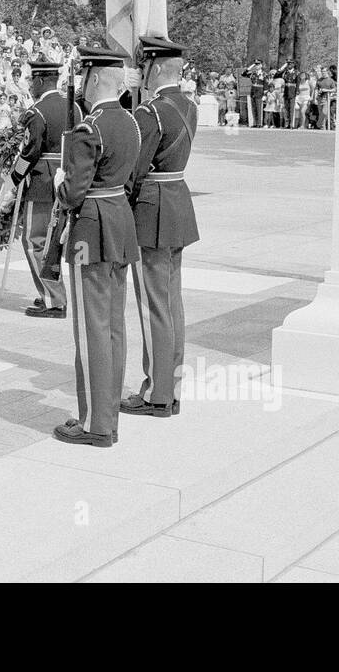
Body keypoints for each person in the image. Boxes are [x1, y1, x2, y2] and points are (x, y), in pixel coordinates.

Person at [51, 46, 140, 449]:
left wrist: (58, 183)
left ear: (96, 78)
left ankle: (95, 423)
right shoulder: (133, 123)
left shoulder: (92, 128)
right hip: (121, 222)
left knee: (91, 329)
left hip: (91, 229)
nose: (81, 85)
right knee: (114, 326)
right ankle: (109, 416)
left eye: (85, 77)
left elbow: (72, 193)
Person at [121, 36, 200, 420]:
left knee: (154, 305)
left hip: (151, 209)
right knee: (172, 303)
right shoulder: (189, 106)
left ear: (152, 68)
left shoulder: (151, 113)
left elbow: (134, 170)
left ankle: (155, 392)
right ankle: (173, 386)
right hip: (178, 205)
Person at [10, 58, 81, 319]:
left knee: (34, 241)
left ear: (40, 80)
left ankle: (53, 298)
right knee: (54, 242)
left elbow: (30, 152)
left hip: (41, 182)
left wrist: (14, 178)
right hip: (67, 180)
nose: (30, 85)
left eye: (31, 80)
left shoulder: (36, 112)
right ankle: (52, 295)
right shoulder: (74, 107)